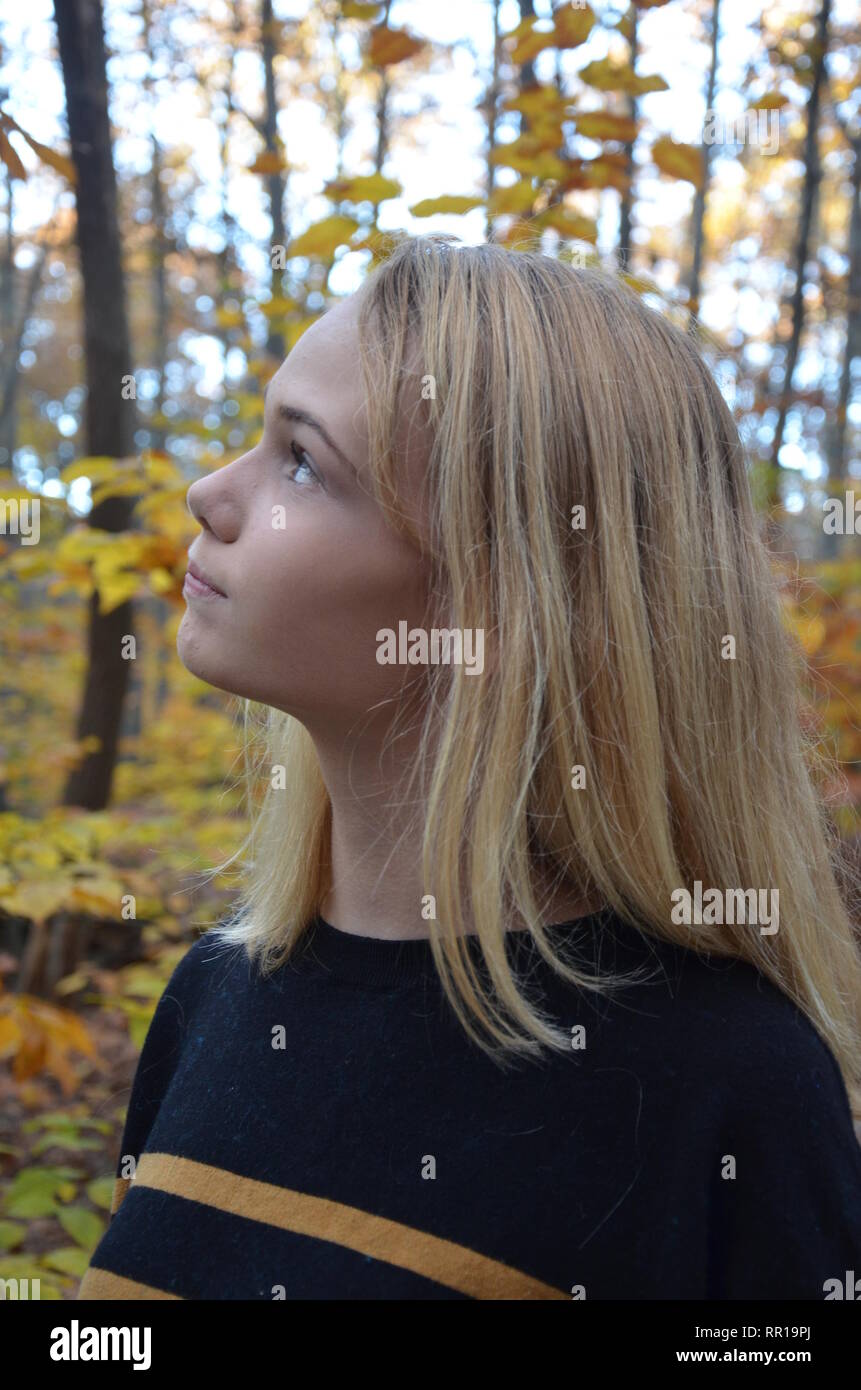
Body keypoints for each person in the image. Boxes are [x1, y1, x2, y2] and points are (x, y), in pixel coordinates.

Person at [78, 234, 861, 1300]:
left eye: (302, 460)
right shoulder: (217, 996)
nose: (210, 493)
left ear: (502, 601)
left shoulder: (724, 1093)